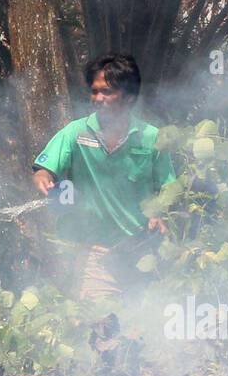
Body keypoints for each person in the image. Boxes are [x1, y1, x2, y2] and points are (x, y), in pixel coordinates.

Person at [31, 53, 176, 300]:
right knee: (103, 327)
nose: (98, 99)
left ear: (129, 97)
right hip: (95, 254)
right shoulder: (75, 133)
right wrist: (44, 179)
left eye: (107, 92)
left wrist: (159, 214)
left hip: (143, 253)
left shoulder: (151, 138)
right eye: (94, 91)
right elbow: (43, 170)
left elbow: (170, 188)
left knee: (145, 327)